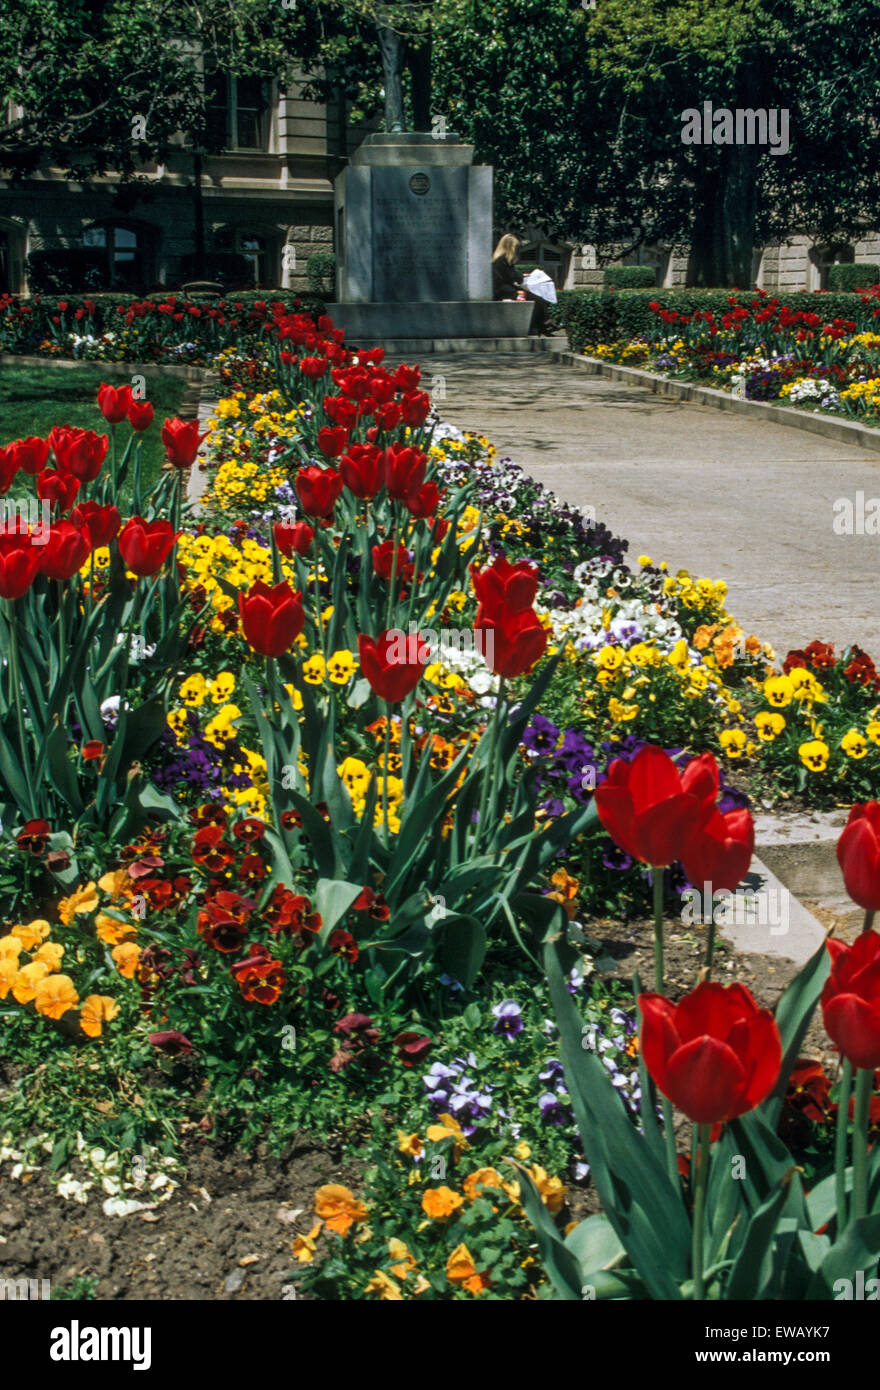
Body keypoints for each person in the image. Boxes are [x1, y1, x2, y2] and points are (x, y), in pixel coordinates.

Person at [491, 234, 555, 335]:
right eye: (516, 248)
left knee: (536, 297)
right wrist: (522, 276)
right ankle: (542, 325)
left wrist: (521, 275)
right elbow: (514, 277)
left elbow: (512, 276)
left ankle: (542, 324)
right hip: (503, 291)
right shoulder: (502, 261)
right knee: (535, 298)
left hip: (505, 289)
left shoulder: (501, 260)